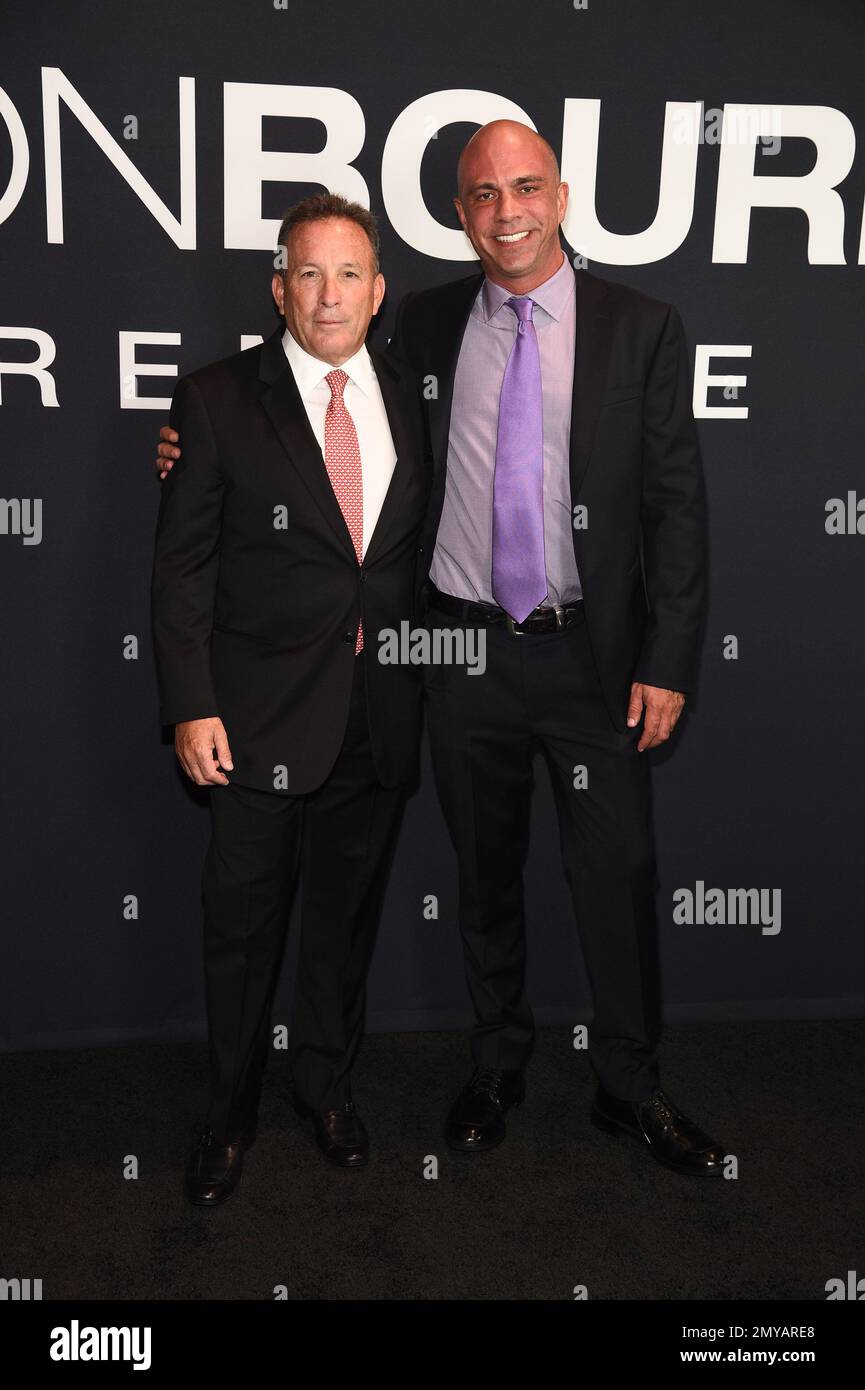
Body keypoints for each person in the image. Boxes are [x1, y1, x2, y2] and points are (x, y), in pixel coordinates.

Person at [157, 120, 727, 1179]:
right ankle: (495, 1064)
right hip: (457, 655)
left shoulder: (641, 327)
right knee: (484, 879)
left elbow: (678, 507)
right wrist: (187, 443)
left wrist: (671, 655)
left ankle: (630, 1086)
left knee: (617, 873)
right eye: (480, 194)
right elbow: (284, 413)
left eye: (524, 187)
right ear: (459, 215)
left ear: (559, 195)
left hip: (593, 658)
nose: (505, 209)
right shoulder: (418, 327)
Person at [151, 192, 431, 1205]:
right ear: (278, 288)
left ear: (377, 290)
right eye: (307, 272)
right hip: (255, 717)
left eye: (348, 273)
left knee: (341, 926)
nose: (328, 293)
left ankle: (325, 1087)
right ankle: (226, 1115)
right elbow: (180, 569)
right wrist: (189, 704)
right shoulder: (218, 398)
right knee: (242, 928)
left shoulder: (410, 392)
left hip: (377, 710)